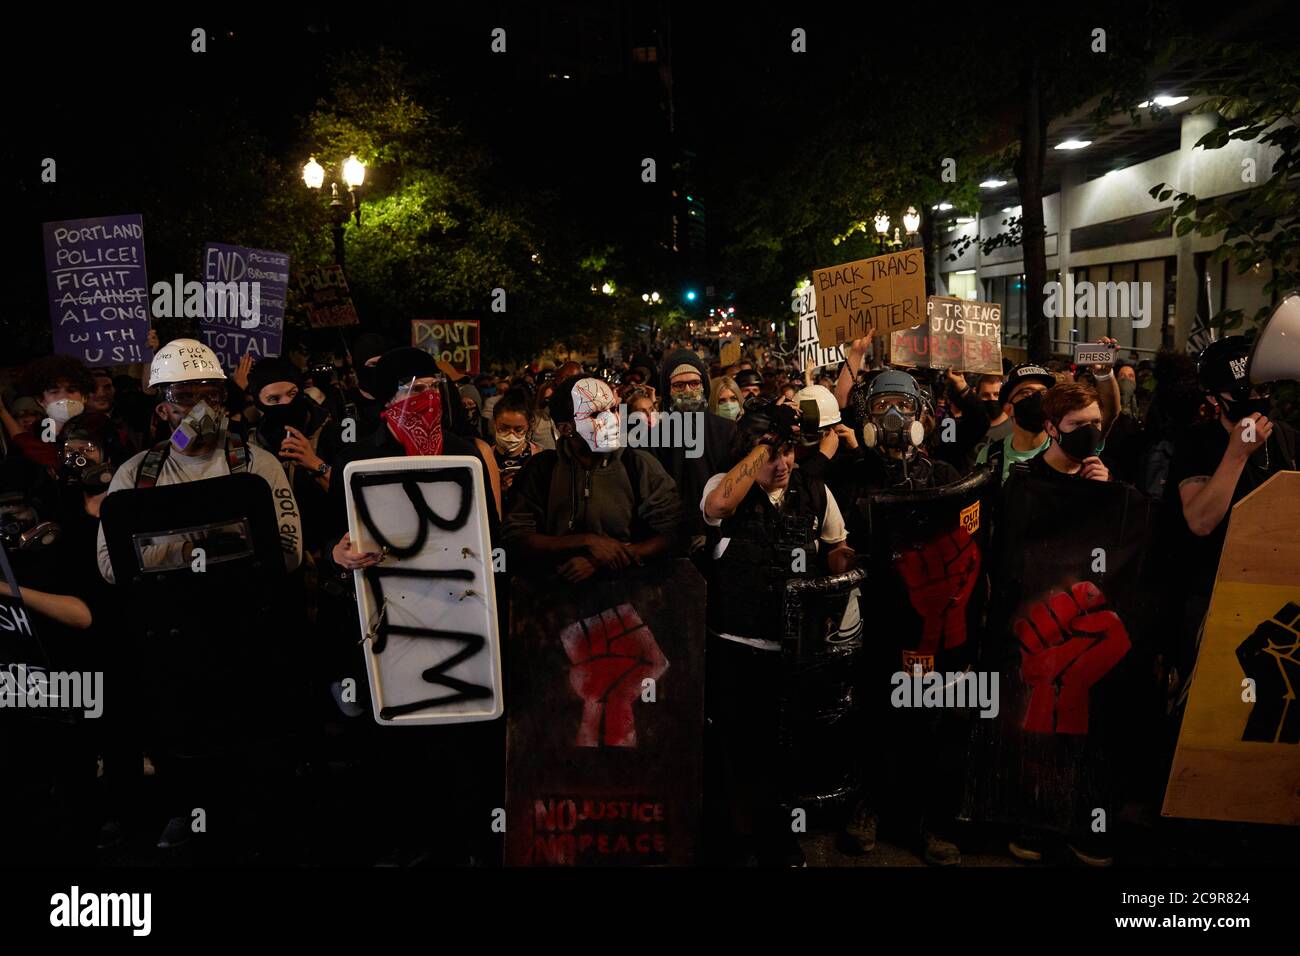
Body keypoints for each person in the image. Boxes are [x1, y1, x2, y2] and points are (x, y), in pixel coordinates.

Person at [700, 401, 854, 866]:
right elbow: (718, 506)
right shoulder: (723, 485)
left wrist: (847, 565)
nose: (783, 462)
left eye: (789, 451)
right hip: (736, 647)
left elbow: (835, 546)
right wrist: (760, 447)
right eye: (773, 453)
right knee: (735, 752)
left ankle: (778, 839)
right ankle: (732, 843)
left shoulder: (814, 490)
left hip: (795, 651)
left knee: (784, 753)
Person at [96, 339, 303, 583]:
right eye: (183, 396)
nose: (200, 407)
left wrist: (156, 556)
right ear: (162, 410)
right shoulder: (134, 473)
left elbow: (289, 552)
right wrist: (192, 551)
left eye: (210, 395)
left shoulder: (255, 464)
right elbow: (110, 563)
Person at [1169, 336, 1297, 650]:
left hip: (1277, 594)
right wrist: (1237, 454)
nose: (1255, 398)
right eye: (1243, 393)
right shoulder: (1195, 444)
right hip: (1213, 595)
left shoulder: (1288, 440)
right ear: (1214, 399)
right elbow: (1200, 521)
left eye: (1263, 390)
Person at [504, 375, 683, 583]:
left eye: (614, 409)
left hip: (629, 595)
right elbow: (517, 537)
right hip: (556, 599)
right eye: (596, 414)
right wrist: (586, 541)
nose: (612, 420)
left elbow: (674, 532)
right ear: (566, 429)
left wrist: (603, 559)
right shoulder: (541, 470)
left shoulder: (638, 465)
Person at [246, 357, 343, 558]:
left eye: (292, 394)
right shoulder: (253, 443)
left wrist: (316, 464)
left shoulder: (331, 431)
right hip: (280, 555)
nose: (286, 404)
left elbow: (353, 496)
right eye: (274, 399)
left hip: (331, 552)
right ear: (259, 402)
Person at [651, 350, 737, 560]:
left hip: (724, 538)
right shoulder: (654, 439)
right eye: (678, 385)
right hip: (673, 546)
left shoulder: (728, 431)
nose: (687, 390)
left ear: (704, 386)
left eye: (694, 383)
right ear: (668, 390)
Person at [490, 388, 541, 504]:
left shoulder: (538, 457)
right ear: (494, 423)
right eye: (504, 428)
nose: (511, 434)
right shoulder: (486, 456)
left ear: (529, 426)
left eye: (518, 429)